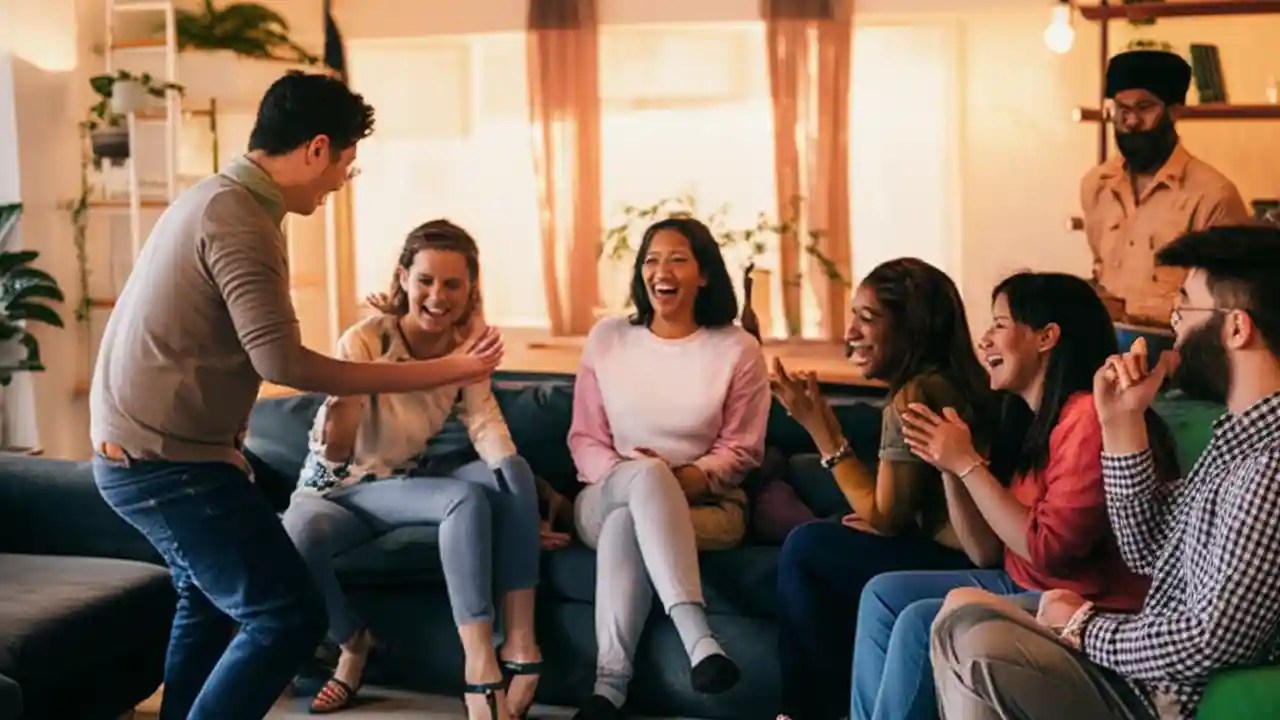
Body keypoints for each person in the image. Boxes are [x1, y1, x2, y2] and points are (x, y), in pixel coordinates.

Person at [88, 72, 503, 720]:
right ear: (315, 149)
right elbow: (285, 363)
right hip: (160, 465)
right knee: (287, 615)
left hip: (152, 455)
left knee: (209, 601)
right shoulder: (239, 221)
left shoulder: (214, 201)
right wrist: (434, 369)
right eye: (345, 163)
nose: (342, 180)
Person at [931, 225, 1280, 720]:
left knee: (979, 638)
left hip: (1162, 694)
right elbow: (1147, 551)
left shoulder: (1269, 468)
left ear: (1236, 328)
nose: (1173, 324)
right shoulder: (1235, 440)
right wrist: (1122, 426)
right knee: (960, 610)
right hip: (1140, 669)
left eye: (1184, 306)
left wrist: (1084, 627)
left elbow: (1213, 639)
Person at [851, 272, 1175, 720]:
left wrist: (967, 463)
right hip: (1024, 581)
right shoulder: (1027, 418)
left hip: (1082, 604)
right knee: (883, 594)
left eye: (999, 324)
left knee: (915, 622)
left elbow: (1049, 551)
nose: (983, 340)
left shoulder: (1084, 417)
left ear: (1046, 337)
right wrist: (951, 469)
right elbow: (984, 552)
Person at [282, 220, 540, 720]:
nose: (437, 296)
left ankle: (493, 657)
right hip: (336, 491)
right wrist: (342, 413)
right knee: (293, 532)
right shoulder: (362, 340)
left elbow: (485, 423)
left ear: (470, 291)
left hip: (399, 486)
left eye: (452, 284)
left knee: (509, 474)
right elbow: (334, 459)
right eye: (425, 281)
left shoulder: (467, 348)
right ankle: (354, 644)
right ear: (403, 278)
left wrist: (519, 503)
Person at [771, 258, 995, 720]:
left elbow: (885, 517)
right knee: (831, 535)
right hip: (967, 551)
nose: (851, 331)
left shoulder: (914, 397)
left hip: (965, 559)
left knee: (808, 547)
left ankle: (804, 712)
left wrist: (822, 430)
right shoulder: (960, 382)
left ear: (910, 327)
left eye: (867, 318)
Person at [567, 217, 771, 720]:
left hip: (708, 506)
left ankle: (608, 688)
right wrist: (638, 478)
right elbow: (584, 439)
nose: (663, 270)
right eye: (652, 260)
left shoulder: (737, 349)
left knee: (629, 522)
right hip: (604, 491)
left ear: (703, 274)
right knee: (636, 491)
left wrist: (682, 480)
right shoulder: (608, 338)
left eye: (678, 259)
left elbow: (741, 449)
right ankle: (699, 640)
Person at [1081, 49, 1248, 332]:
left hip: (1180, 355)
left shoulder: (1212, 195)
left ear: (1174, 111)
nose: (1131, 121)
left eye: (1145, 108)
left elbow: (1228, 304)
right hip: (1106, 348)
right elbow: (1101, 270)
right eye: (1122, 110)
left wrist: (1131, 311)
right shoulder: (1097, 184)